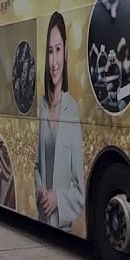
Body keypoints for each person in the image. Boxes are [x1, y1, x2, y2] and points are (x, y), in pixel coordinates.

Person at [35, 12, 85, 232]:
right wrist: (41, 191)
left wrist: (58, 199)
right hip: (41, 218)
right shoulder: (42, 106)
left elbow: (80, 190)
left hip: (63, 225)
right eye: (49, 51)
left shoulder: (72, 110)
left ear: (65, 52)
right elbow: (37, 166)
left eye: (57, 50)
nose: (54, 62)